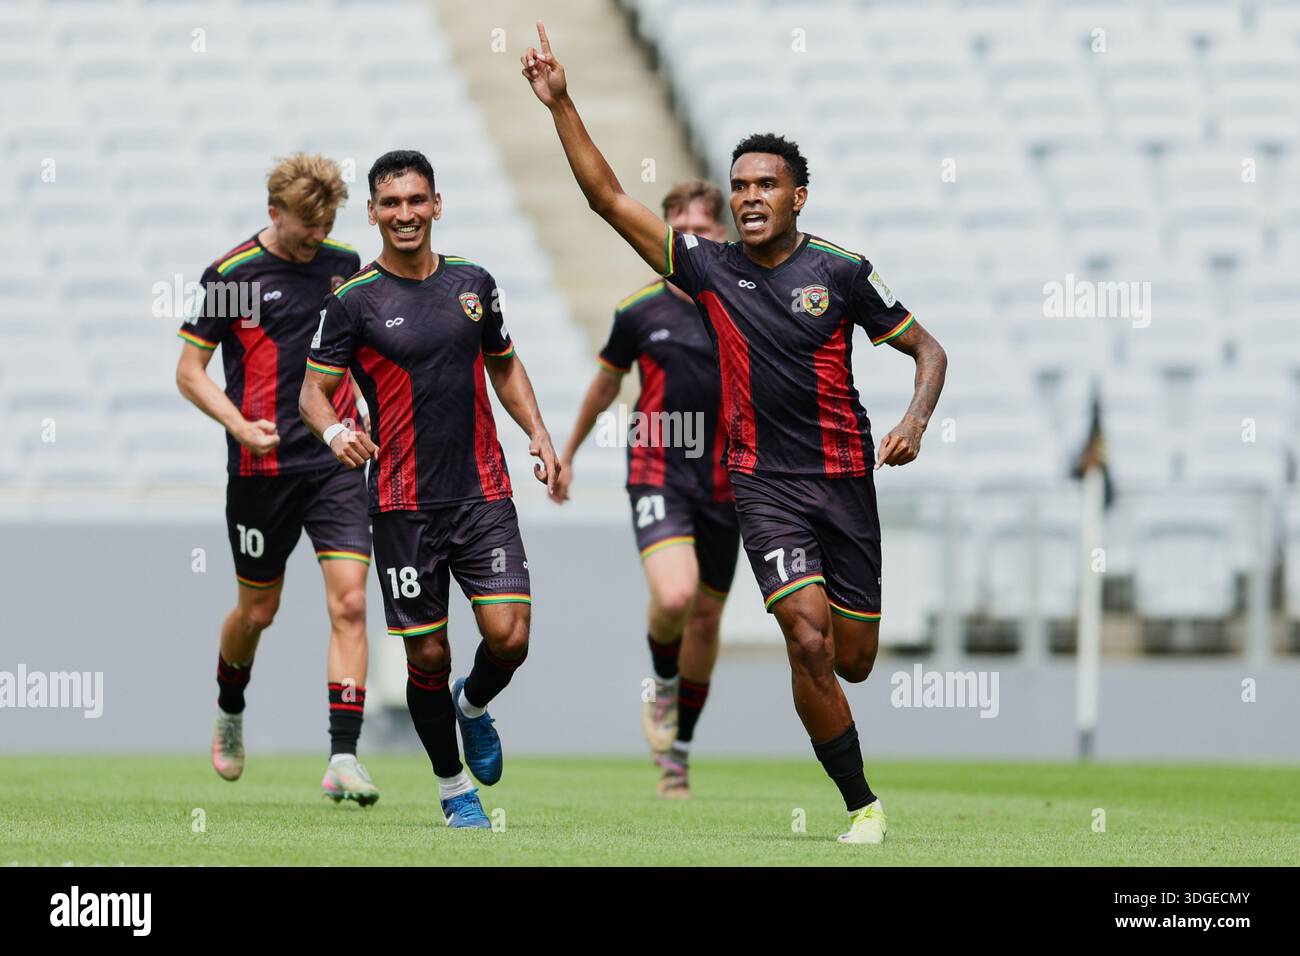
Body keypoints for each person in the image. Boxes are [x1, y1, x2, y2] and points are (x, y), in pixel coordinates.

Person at [522, 23, 948, 843]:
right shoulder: (709, 270)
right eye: (740, 184)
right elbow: (609, 199)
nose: (750, 196)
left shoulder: (843, 272)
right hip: (763, 487)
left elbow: (928, 349)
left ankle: (835, 750)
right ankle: (861, 804)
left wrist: (914, 421)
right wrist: (563, 103)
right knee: (806, 636)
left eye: (766, 185)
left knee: (853, 656)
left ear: (798, 197)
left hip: (845, 481)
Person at [300, 150, 561, 829]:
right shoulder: (353, 302)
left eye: (417, 200)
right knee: (428, 654)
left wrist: (537, 430)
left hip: (483, 495)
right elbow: (312, 397)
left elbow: (504, 365)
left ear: (436, 205)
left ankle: (472, 705)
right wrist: (335, 436)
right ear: (373, 213)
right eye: (391, 204)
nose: (406, 214)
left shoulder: (474, 283)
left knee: (510, 637)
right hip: (401, 505)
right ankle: (453, 790)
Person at [175, 152, 378, 805]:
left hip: (333, 458)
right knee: (258, 610)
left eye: (323, 228)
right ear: (274, 213)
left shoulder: (344, 265)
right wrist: (237, 424)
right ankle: (230, 710)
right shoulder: (232, 274)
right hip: (261, 468)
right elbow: (189, 371)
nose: (314, 239)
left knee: (349, 601)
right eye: (303, 229)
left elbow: (367, 346)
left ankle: (343, 757)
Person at [551, 180, 739, 798]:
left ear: (722, 235)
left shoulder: (744, 301)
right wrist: (568, 454)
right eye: (679, 231)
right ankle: (662, 684)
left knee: (707, 620)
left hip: (730, 479)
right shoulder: (639, 310)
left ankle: (678, 753)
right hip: (658, 468)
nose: (692, 242)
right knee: (676, 592)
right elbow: (605, 386)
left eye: (704, 231)